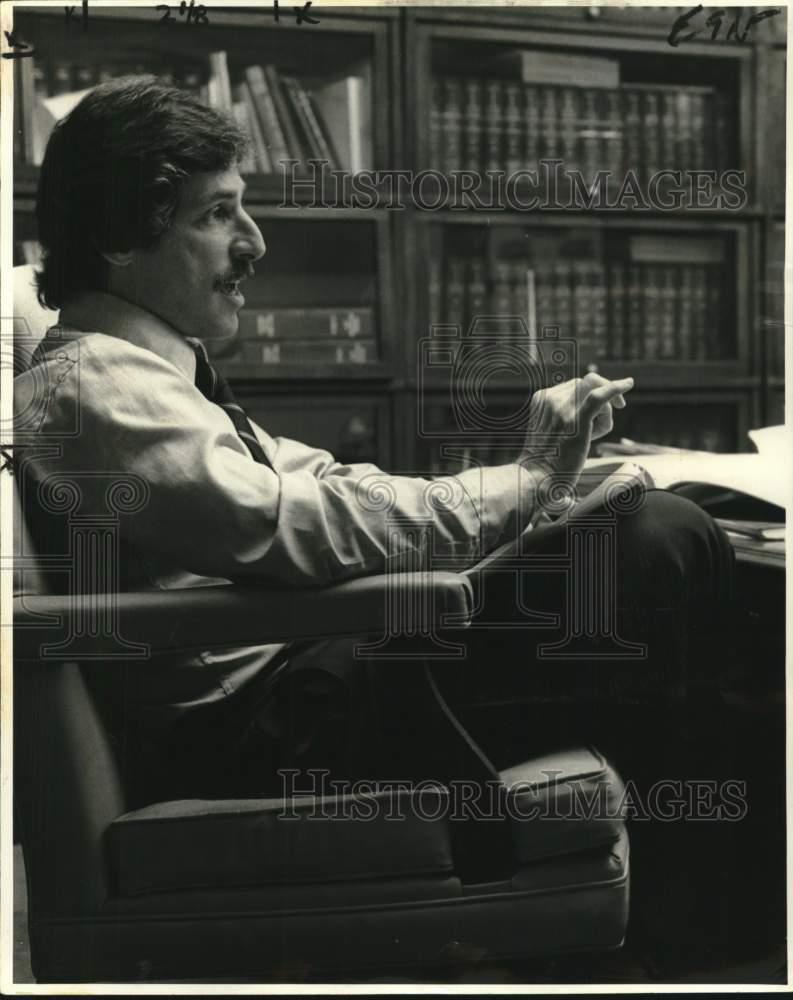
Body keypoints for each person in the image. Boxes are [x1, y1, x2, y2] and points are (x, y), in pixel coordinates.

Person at [15, 77, 734, 807]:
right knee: (656, 539)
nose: (254, 242)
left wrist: (538, 491)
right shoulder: (88, 386)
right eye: (217, 213)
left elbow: (323, 483)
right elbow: (293, 527)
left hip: (308, 676)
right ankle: (695, 887)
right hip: (269, 725)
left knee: (640, 534)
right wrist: (528, 482)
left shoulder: (142, 372)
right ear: (117, 235)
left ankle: (684, 879)